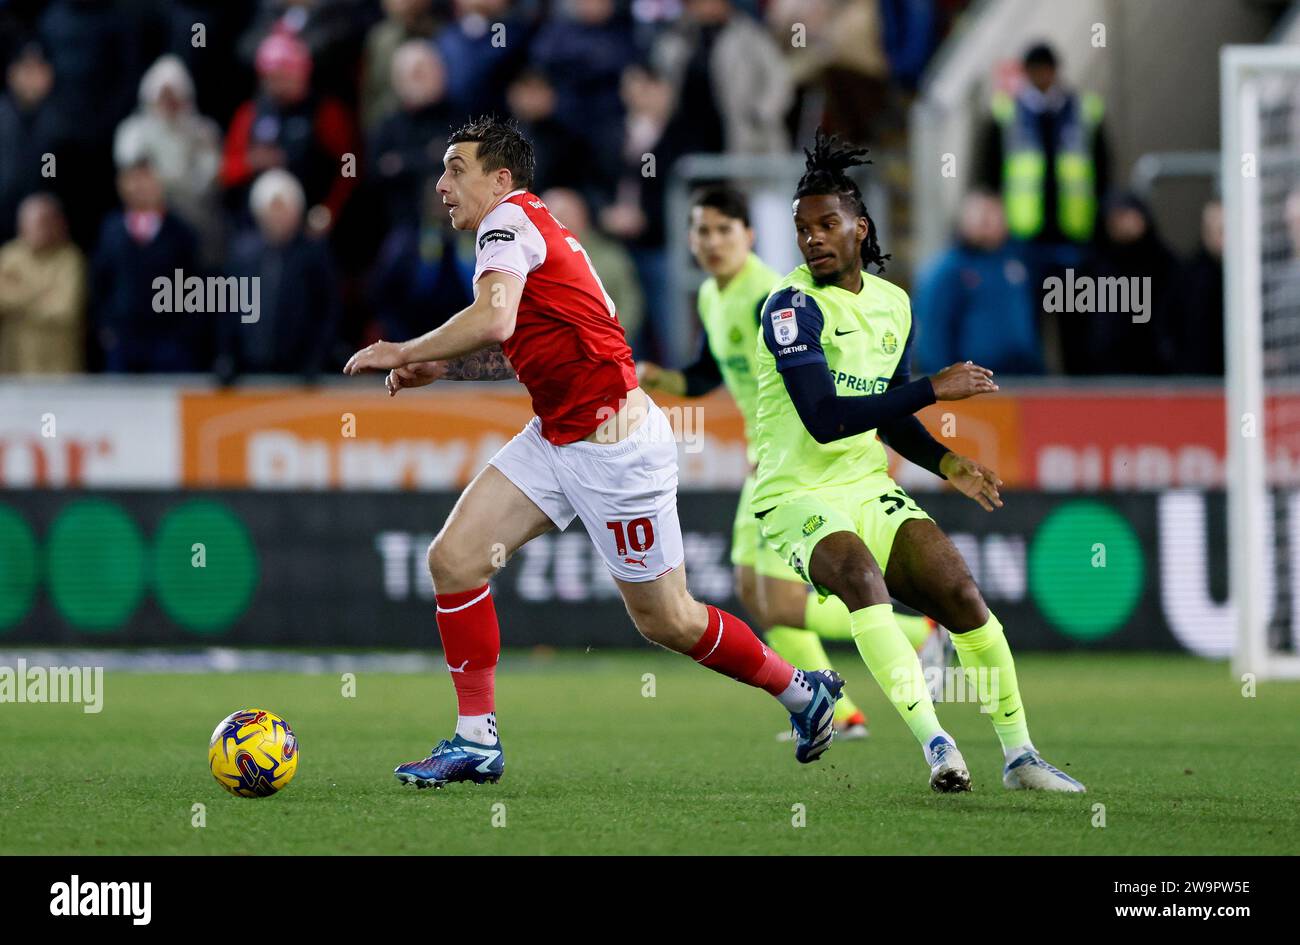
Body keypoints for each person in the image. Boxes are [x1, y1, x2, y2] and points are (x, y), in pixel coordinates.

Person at [343, 118, 845, 787]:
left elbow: (493, 320)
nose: (441, 184)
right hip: (557, 435)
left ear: (500, 178)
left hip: (615, 452)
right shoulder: (534, 231)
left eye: (455, 168)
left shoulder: (505, 226)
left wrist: (406, 350)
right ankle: (476, 740)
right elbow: (527, 342)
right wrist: (449, 369)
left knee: (668, 618)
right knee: (455, 560)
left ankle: (802, 693)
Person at [750, 129, 1085, 793]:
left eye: (827, 224)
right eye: (801, 228)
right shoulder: (790, 309)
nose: (812, 238)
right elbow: (825, 419)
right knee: (857, 574)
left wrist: (945, 460)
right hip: (794, 495)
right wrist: (936, 385)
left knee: (958, 589)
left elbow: (885, 409)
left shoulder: (892, 303)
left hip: (865, 485)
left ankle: (1020, 755)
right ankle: (937, 743)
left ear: (860, 227)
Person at [637, 184, 949, 742]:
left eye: (722, 230)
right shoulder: (713, 295)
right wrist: (663, 380)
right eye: (701, 231)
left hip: (796, 465)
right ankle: (843, 709)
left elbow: (824, 388)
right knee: (759, 596)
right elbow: (709, 374)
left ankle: (914, 636)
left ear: (749, 236)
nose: (710, 243)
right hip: (768, 461)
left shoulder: (770, 296)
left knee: (777, 602)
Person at [914, 190, 1043, 375]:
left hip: (1023, 377)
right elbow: (933, 333)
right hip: (975, 383)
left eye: (994, 215)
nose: (988, 222)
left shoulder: (1016, 263)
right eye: (981, 215)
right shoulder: (947, 270)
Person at [0, 193, 86, 374]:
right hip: (15, 362)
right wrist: (42, 293)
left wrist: (18, 295)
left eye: (47, 223)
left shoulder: (69, 258)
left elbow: (64, 309)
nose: (41, 229)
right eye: (36, 223)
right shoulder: (9, 256)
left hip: (57, 365)